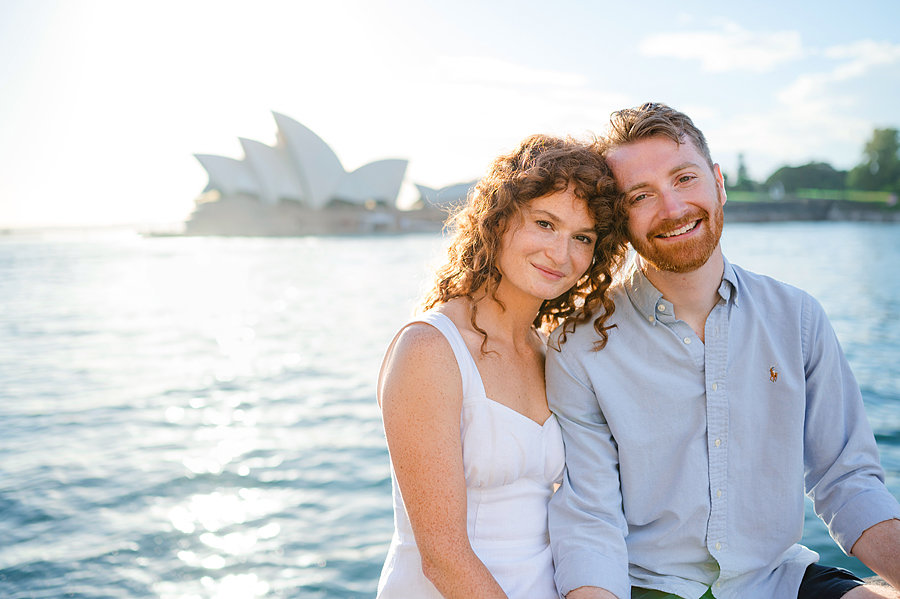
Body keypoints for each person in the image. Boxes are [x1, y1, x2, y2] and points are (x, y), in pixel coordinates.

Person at [547, 102, 900, 599]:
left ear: (718, 181)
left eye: (685, 179)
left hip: (777, 579)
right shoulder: (580, 344)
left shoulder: (797, 318)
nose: (672, 209)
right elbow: (590, 521)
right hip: (647, 586)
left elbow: (846, 480)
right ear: (618, 220)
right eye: (641, 195)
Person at [376, 134, 626, 598]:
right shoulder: (430, 349)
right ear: (497, 219)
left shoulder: (551, 351)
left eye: (583, 237)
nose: (561, 253)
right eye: (545, 223)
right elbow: (443, 557)